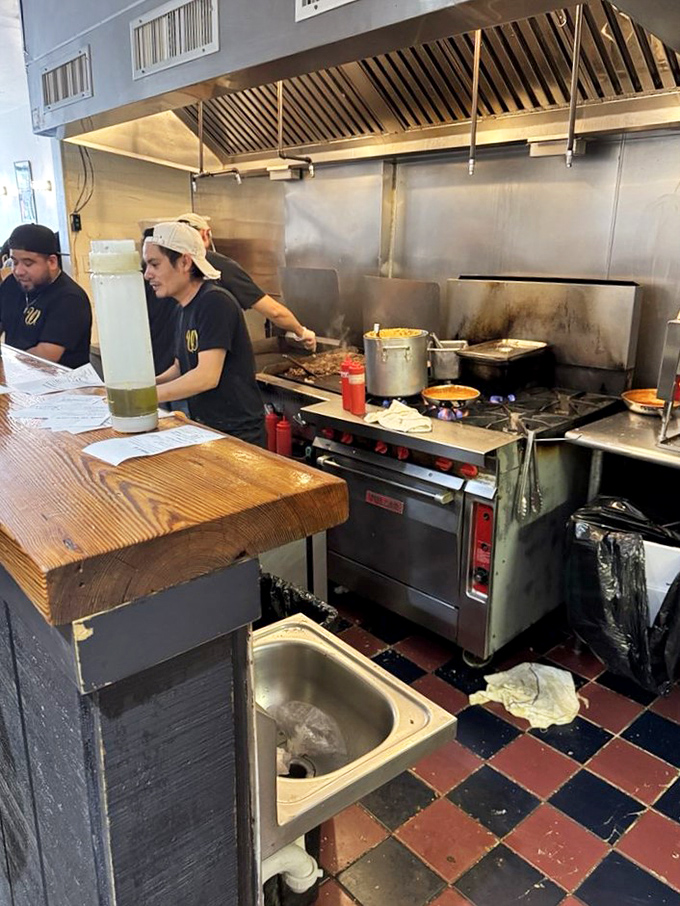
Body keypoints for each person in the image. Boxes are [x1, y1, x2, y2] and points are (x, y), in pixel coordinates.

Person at [143, 221, 265, 446]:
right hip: (206, 427)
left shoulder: (214, 302)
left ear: (184, 262)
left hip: (237, 434)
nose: (147, 275)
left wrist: (143, 399)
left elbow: (206, 376)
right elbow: (181, 367)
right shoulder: (182, 307)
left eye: (154, 264)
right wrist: (144, 385)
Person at [175, 212, 316, 350]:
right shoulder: (221, 266)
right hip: (213, 354)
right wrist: (301, 332)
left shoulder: (166, 268)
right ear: (205, 234)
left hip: (176, 354)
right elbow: (274, 312)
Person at [0, 223, 92, 368]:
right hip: (17, 378)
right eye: (15, 262)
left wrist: (6, 366)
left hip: (61, 385)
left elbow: (44, 357)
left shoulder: (70, 299)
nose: (18, 271)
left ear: (52, 262)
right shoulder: (12, 284)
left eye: (28, 263)